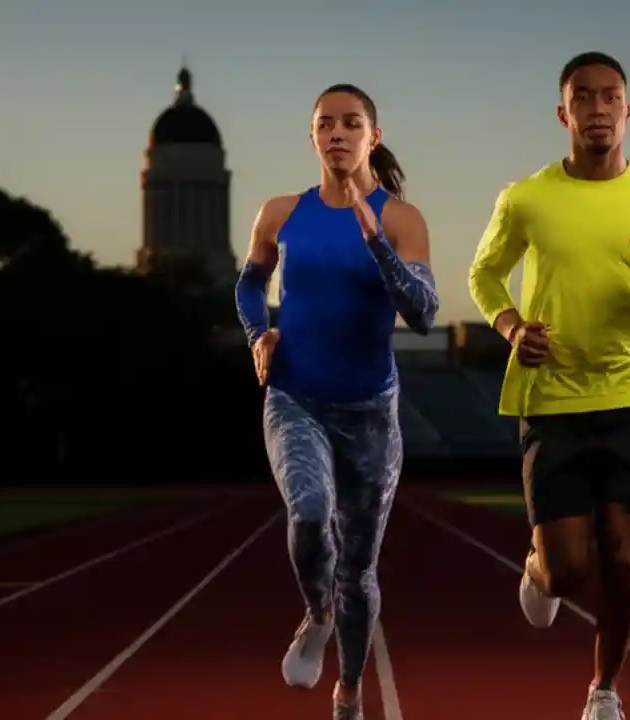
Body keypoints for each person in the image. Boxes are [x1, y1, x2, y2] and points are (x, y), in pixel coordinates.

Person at [467, 51, 630, 719]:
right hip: (551, 400)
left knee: (625, 558)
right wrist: (514, 326)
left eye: (611, 97)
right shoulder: (525, 198)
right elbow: (483, 277)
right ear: (563, 113)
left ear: (628, 111)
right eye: (584, 97)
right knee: (571, 569)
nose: (598, 108)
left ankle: (603, 692)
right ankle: (539, 569)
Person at [235, 82, 439, 720]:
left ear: (372, 137)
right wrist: (258, 331)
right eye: (326, 123)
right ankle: (315, 614)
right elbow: (248, 283)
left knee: (359, 572)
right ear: (313, 136)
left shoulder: (402, 218)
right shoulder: (279, 212)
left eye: (352, 123)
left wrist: (374, 234)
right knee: (307, 511)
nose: (338, 133)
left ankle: (349, 688)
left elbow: (424, 313)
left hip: (370, 413)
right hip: (295, 395)